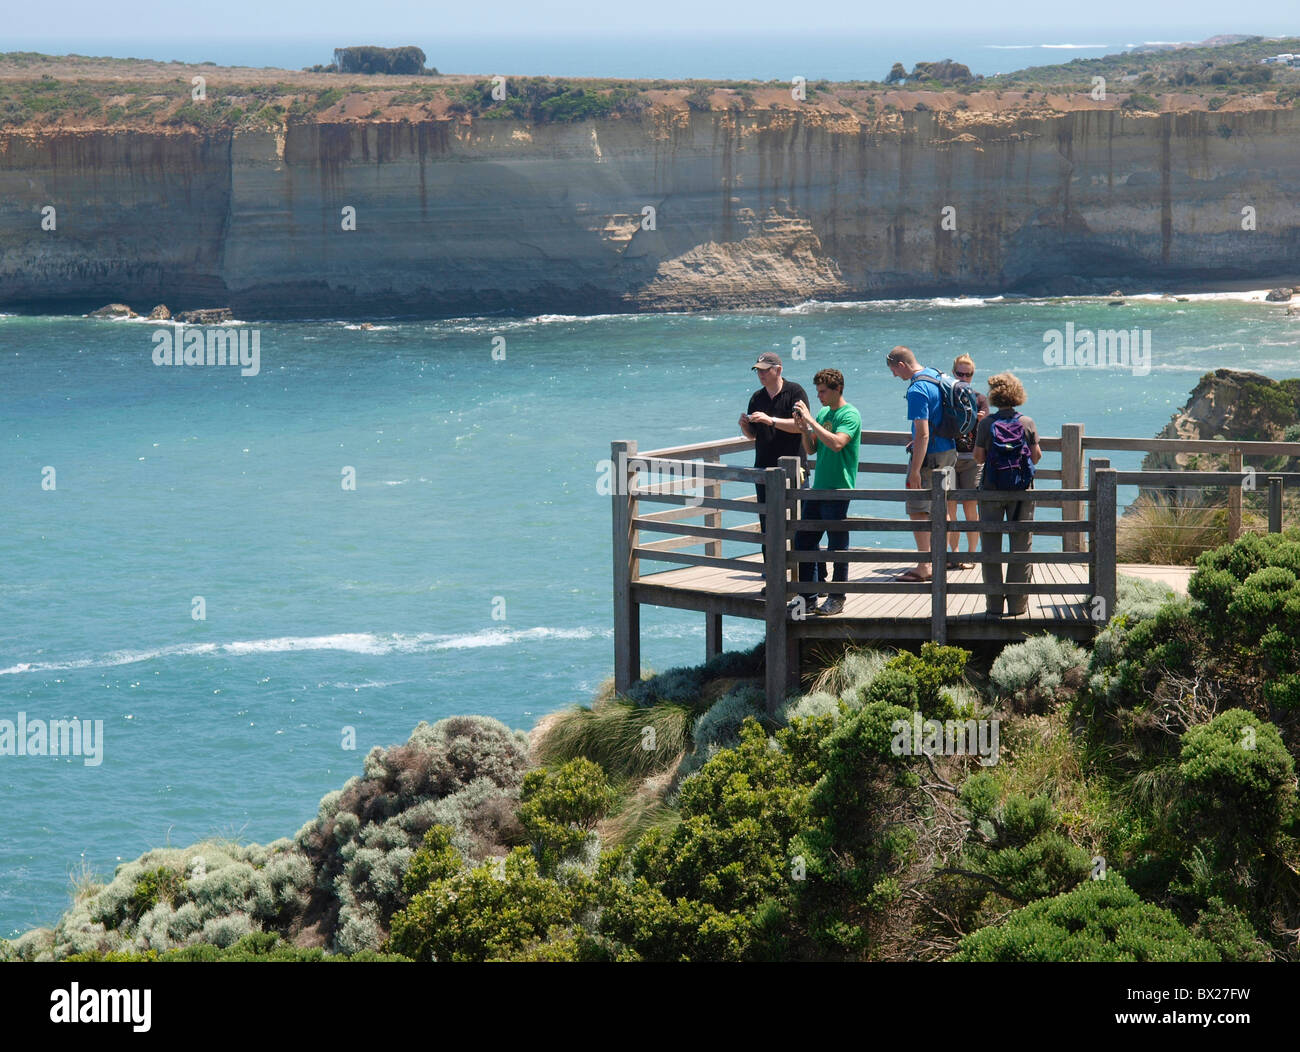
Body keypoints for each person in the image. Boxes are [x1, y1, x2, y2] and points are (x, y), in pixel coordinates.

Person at [790, 369, 861, 616]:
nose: (818, 396)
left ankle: (837, 597)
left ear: (837, 389)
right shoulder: (822, 413)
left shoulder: (849, 414)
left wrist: (811, 422)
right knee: (804, 541)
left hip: (839, 487)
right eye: (817, 391)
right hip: (819, 487)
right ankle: (808, 596)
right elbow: (812, 449)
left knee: (836, 546)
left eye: (823, 391)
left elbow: (837, 443)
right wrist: (803, 429)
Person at [885, 346, 958, 582]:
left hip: (930, 455)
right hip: (949, 450)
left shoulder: (917, 389)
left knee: (918, 510)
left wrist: (915, 470)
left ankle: (925, 566)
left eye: (894, 370)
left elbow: (923, 434)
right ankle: (941, 560)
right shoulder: (937, 375)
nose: (895, 376)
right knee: (942, 507)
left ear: (902, 365)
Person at [972, 372, 1043, 617]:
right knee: (1021, 547)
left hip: (992, 489)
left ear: (994, 395)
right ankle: (1017, 606)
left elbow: (979, 457)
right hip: (1021, 490)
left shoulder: (985, 424)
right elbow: (1036, 456)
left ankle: (994, 605)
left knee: (990, 547)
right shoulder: (1027, 423)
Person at [739, 352, 812, 579]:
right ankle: (772, 571)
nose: (761, 374)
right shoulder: (756, 398)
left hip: (793, 468)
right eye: (758, 370)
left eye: (765, 370)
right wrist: (745, 426)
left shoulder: (795, 392)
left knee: (799, 524)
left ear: (778, 370)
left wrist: (771, 420)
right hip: (764, 470)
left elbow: (802, 426)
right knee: (768, 524)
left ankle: (807, 574)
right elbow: (754, 436)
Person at [947, 354, 989, 568]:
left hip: (972, 458)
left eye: (968, 374)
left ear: (973, 375)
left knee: (971, 509)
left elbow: (987, 433)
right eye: (959, 373)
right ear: (953, 372)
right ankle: (953, 554)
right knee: (949, 508)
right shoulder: (947, 396)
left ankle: (971, 555)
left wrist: (980, 421)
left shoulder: (980, 398)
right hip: (949, 457)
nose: (964, 377)